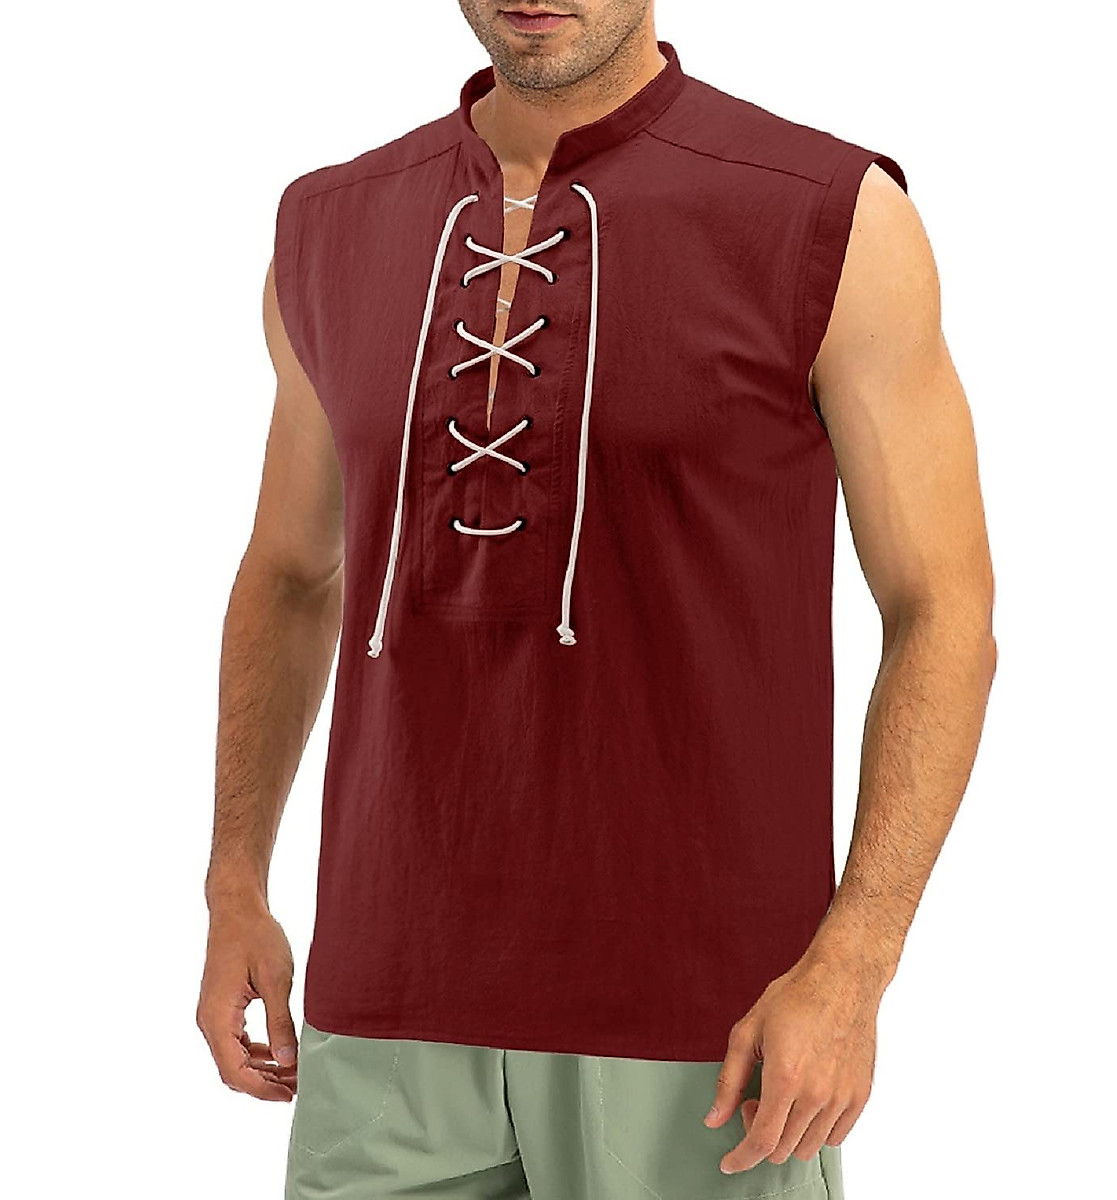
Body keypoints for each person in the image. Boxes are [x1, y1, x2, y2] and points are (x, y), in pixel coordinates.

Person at [197, 3, 997, 1196]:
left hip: (708, 1029)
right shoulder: (328, 224)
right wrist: (234, 885)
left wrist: (854, 965)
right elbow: (289, 571)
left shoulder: (827, 214)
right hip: (384, 1013)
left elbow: (942, 611)